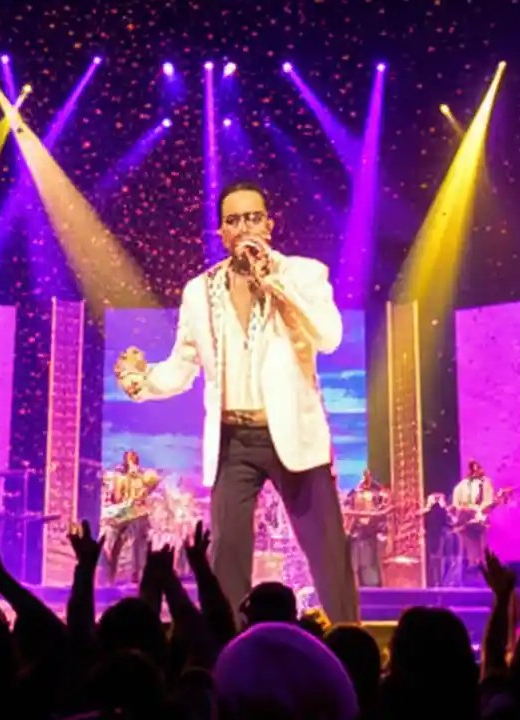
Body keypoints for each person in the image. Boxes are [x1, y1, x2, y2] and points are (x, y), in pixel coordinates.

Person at [113, 180, 358, 624]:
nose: (244, 226)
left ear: (269, 224)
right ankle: (229, 651)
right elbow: (183, 367)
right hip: (233, 439)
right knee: (226, 553)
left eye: (253, 217)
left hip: (294, 437)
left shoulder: (303, 273)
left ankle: (349, 641)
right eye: (232, 220)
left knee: (328, 550)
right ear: (221, 233)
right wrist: (142, 381)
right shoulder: (198, 292)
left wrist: (275, 283)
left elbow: (330, 336)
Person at [99, 450, 161, 584]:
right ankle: (111, 576)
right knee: (113, 543)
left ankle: (137, 575)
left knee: (138, 543)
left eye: (133, 460)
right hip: (123, 514)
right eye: (128, 460)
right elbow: (117, 498)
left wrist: (138, 474)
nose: (130, 463)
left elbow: (154, 481)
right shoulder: (120, 478)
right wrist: (120, 481)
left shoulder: (144, 477)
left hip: (139, 514)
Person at [451, 459, 496, 585]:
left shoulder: (486, 483)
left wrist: (478, 510)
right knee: (468, 550)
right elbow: (456, 504)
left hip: (480, 521)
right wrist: (464, 510)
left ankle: (482, 574)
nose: (475, 471)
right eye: (473, 468)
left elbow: (488, 501)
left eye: (478, 468)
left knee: (482, 550)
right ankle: (469, 573)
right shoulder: (462, 485)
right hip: (465, 523)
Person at [345, 469, 388, 587]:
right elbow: (347, 510)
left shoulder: (377, 493)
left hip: (370, 536)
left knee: (370, 566)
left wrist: (381, 530)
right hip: (357, 535)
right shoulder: (354, 493)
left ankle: (373, 590)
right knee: (357, 565)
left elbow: (382, 513)